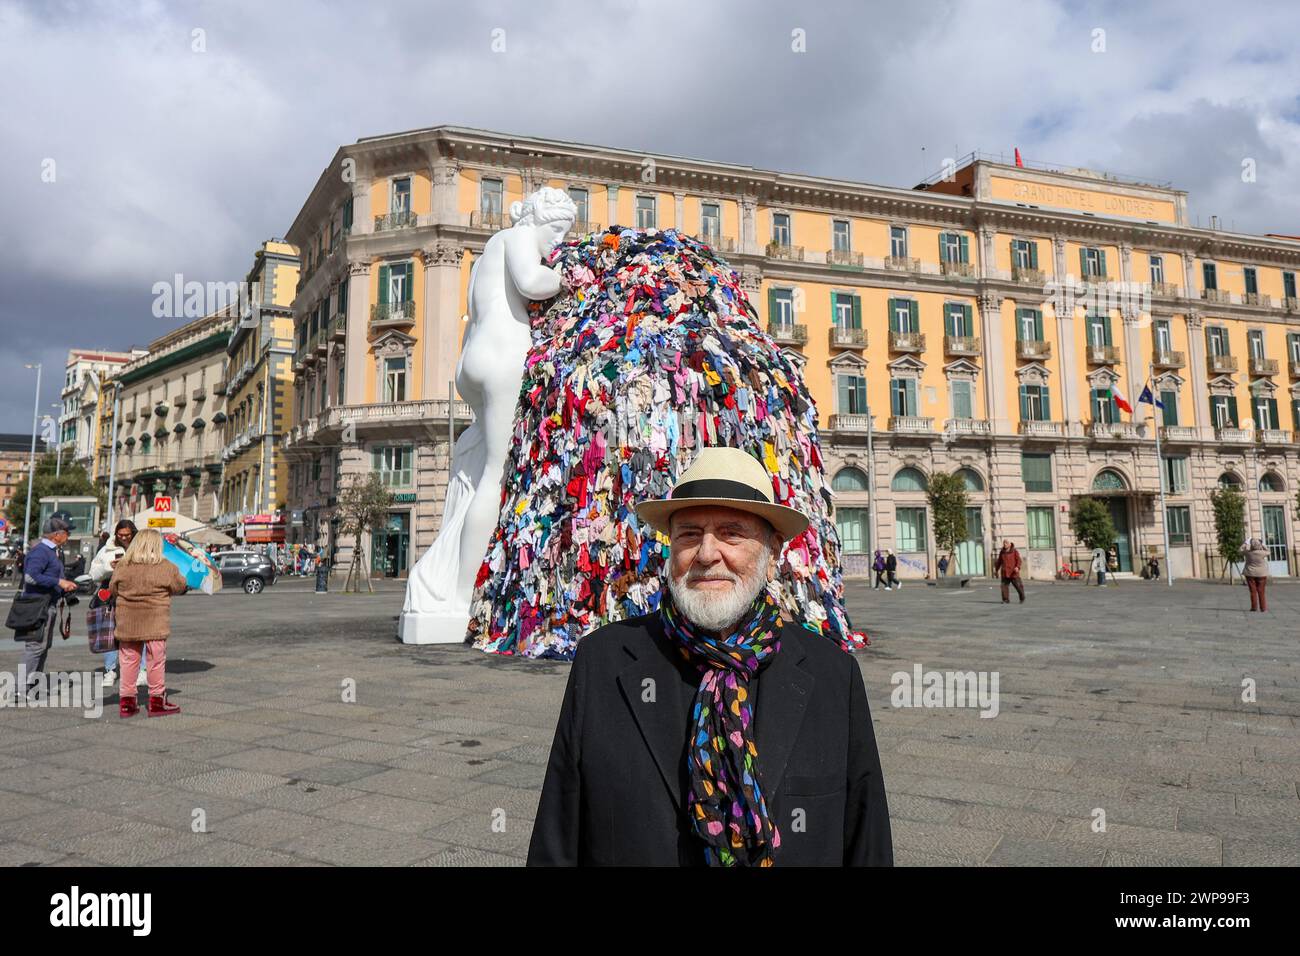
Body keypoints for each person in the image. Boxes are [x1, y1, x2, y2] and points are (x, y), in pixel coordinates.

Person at [527, 447, 892, 867]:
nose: (705, 553)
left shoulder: (832, 675)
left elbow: (867, 843)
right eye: (688, 534)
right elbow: (556, 840)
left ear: (772, 552)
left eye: (732, 532)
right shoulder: (604, 663)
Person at [108, 528, 189, 717]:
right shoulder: (165, 566)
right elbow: (180, 586)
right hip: (155, 622)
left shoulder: (123, 566)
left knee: (128, 661)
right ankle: (156, 701)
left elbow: (113, 589)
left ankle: (127, 704)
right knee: (156, 661)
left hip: (128, 622)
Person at [16, 517, 79, 696]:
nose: (69, 535)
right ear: (56, 535)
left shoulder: (53, 552)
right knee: (35, 647)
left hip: (47, 604)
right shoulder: (42, 552)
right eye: (67, 532)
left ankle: (33, 686)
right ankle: (21, 688)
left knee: (42, 647)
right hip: (37, 605)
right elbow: (30, 577)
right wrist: (59, 581)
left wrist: (64, 587)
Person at [90, 519, 139, 687]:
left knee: (140, 633)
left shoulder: (141, 548)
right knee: (110, 634)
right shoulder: (107, 549)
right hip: (113, 596)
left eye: (127, 535)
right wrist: (109, 567)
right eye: (120, 535)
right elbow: (94, 573)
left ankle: (141, 670)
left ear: (133, 533)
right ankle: (110, 670)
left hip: (136, 595)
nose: (124, 538)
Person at [994, 539, 1025, 604]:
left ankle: (1022, 597)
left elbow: (1019, 560)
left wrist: (1017, 567)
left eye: (1006, 542)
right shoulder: (1002, 552)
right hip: (1005, 573)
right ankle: (1005, 600)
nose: (1005, 544)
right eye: (1004, 542)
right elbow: (999, 562)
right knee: (1003, 587)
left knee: (1018, 586)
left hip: (1013, 573)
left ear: (1010, 544)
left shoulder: (1014, 551)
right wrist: (996, 570)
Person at [1243, 537, 1269, 612]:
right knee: (1261, 591)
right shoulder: (1262, 553)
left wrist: (1246, 543)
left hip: (1250, 573)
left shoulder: (1248, 553)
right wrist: (1263, 545)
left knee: (1252, 591)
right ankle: (1263, 608)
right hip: (1261, 574)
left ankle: (1254, 607)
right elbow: (1269, 551)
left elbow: (1240, 550)